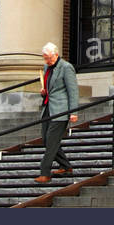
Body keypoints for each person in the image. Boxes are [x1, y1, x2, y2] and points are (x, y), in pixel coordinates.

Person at [34, 42, 79, 183]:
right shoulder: (47, 67)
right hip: (48, 108)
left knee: (52, 140)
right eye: (45, 58)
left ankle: (45, 172)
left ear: (56, 54)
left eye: (48, 57)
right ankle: (65, 166)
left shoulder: (66, 67)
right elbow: (49, 88)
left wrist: (73, 112)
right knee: (46, 140)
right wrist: (43, 92)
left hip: (61, 110)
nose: (46, 60)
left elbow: (73, 91)